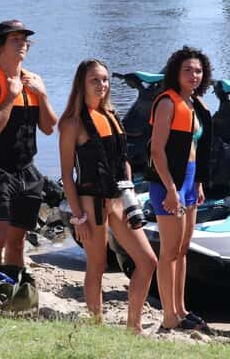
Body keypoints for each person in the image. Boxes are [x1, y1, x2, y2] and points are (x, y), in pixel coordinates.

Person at [59, 59, 157, 333]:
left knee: (148, 261)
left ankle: (133, 327)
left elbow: (123, 159)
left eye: (104, 79)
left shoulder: (111, 115)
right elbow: (67, 175)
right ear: (82, 84)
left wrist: (130, 194)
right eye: (95, 80)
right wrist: (79, 218)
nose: (101, 84)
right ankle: (97, 326)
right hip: (91, 203)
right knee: (97, 265)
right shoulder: (72, 123)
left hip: (119, 200)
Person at [0, 20, 57, 268]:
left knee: (18, 242)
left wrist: (42, 95)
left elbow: (49, 127)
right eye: (15, 39)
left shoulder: (34, 80)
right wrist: (10, 96)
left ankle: (13, 287)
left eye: (25, 40)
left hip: (27, 169)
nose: (22, 44)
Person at [147, 46, 213, 331]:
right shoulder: (167, 103)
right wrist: (171, 190)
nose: (193, 75)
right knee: (169, 251)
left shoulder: (195, 104)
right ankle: (168, 316)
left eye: (198, 71)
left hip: (189, 182)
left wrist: (198, 183)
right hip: (169, 184)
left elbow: (197, 147)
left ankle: (181, 308)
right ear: (176, 72)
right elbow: (157, 151)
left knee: (183, 249)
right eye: (187, 70)